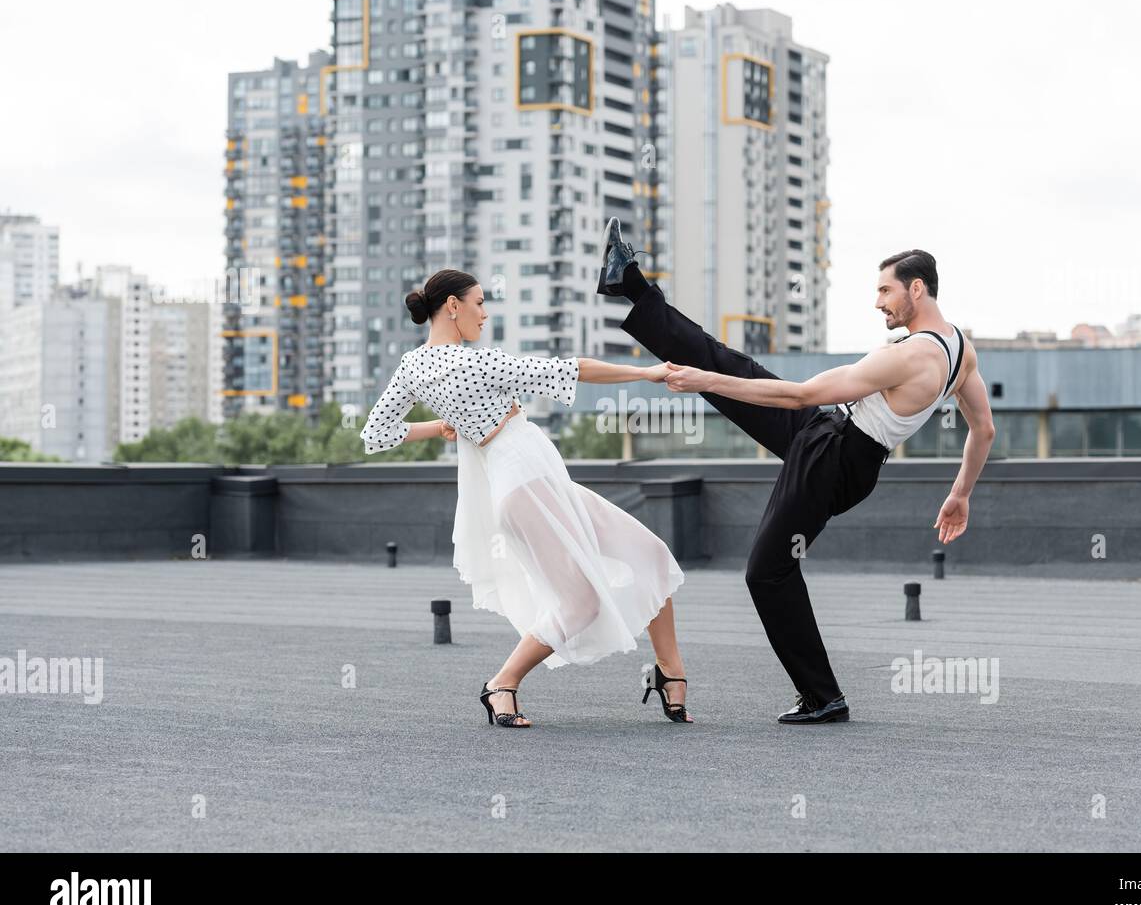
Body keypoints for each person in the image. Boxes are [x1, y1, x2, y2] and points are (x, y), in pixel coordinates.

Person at [597, 219, 995, 724]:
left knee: (767, 571)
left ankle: (823, 696)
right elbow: (983, 430)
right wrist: (960, 494)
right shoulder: (962, 349)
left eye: (885, 290)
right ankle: (629, 283)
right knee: (731, 367)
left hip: (835, 459)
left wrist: (703, 383)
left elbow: (801, 393)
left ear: (917, 289)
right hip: (828, 435)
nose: (878, 303)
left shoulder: (913, 355)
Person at [360, 268, 694, 727]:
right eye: (478, 302)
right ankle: (502, 684)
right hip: (527, 483)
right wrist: (648, 373)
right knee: (581, 604)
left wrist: (439, 427)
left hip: (533, 482)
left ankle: (670, 675)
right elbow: (571, 368)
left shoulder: (412, 367)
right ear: (452, 306)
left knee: (650, 555)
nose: (485, 312)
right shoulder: (473, 362)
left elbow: (376, 434)